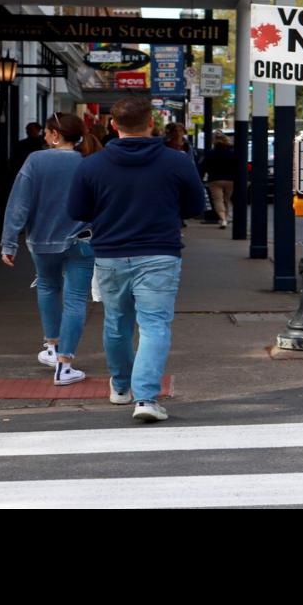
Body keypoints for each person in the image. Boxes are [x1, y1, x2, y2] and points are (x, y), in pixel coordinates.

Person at [67, 97, 206, 423]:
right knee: (154, 325)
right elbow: (196, 206)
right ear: (151, 124)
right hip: (159, 251)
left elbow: (77, 211)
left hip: (110, 254)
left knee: (116, 323)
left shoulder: (91, 165)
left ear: (114, 125)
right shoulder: (177, 162)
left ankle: (120, 386)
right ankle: (145, 397)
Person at [1, 112, 103, 387]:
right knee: (75, 300)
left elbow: (19, 204)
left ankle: (52, 346)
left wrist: (9, 241)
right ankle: (65, 365)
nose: (44, 136)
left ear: (55, 135)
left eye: (47, 132)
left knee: (47, 287)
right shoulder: (90, 162)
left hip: (42, 241)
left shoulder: (36, 160)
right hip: (82, 240)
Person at [200, 133, 237, 229]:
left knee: (218, 200)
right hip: (231, 179)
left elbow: (203, 167)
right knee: (226, 199)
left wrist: (200, 178)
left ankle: (223, 219)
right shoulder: (233, 153)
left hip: (215, 179)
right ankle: (226, 217)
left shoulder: (210, 153)